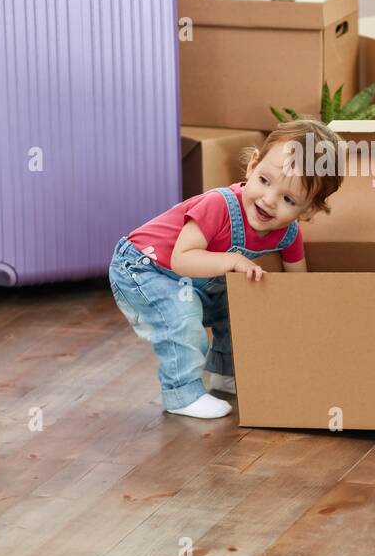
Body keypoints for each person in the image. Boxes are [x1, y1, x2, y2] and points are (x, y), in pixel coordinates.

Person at [109, 119, 343, 419]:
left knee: (242, 307)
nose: (268, 201)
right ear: (252, 166)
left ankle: (226, 373)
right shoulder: (218, 205)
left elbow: (297, 290)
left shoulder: (288, 234)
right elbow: (182, 258)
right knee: (182, 316)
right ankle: (181, 394)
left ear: (308, 209)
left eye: (288, 199)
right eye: (264, 181)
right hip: (143, 267)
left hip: (192, 281)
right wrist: (231, 260)